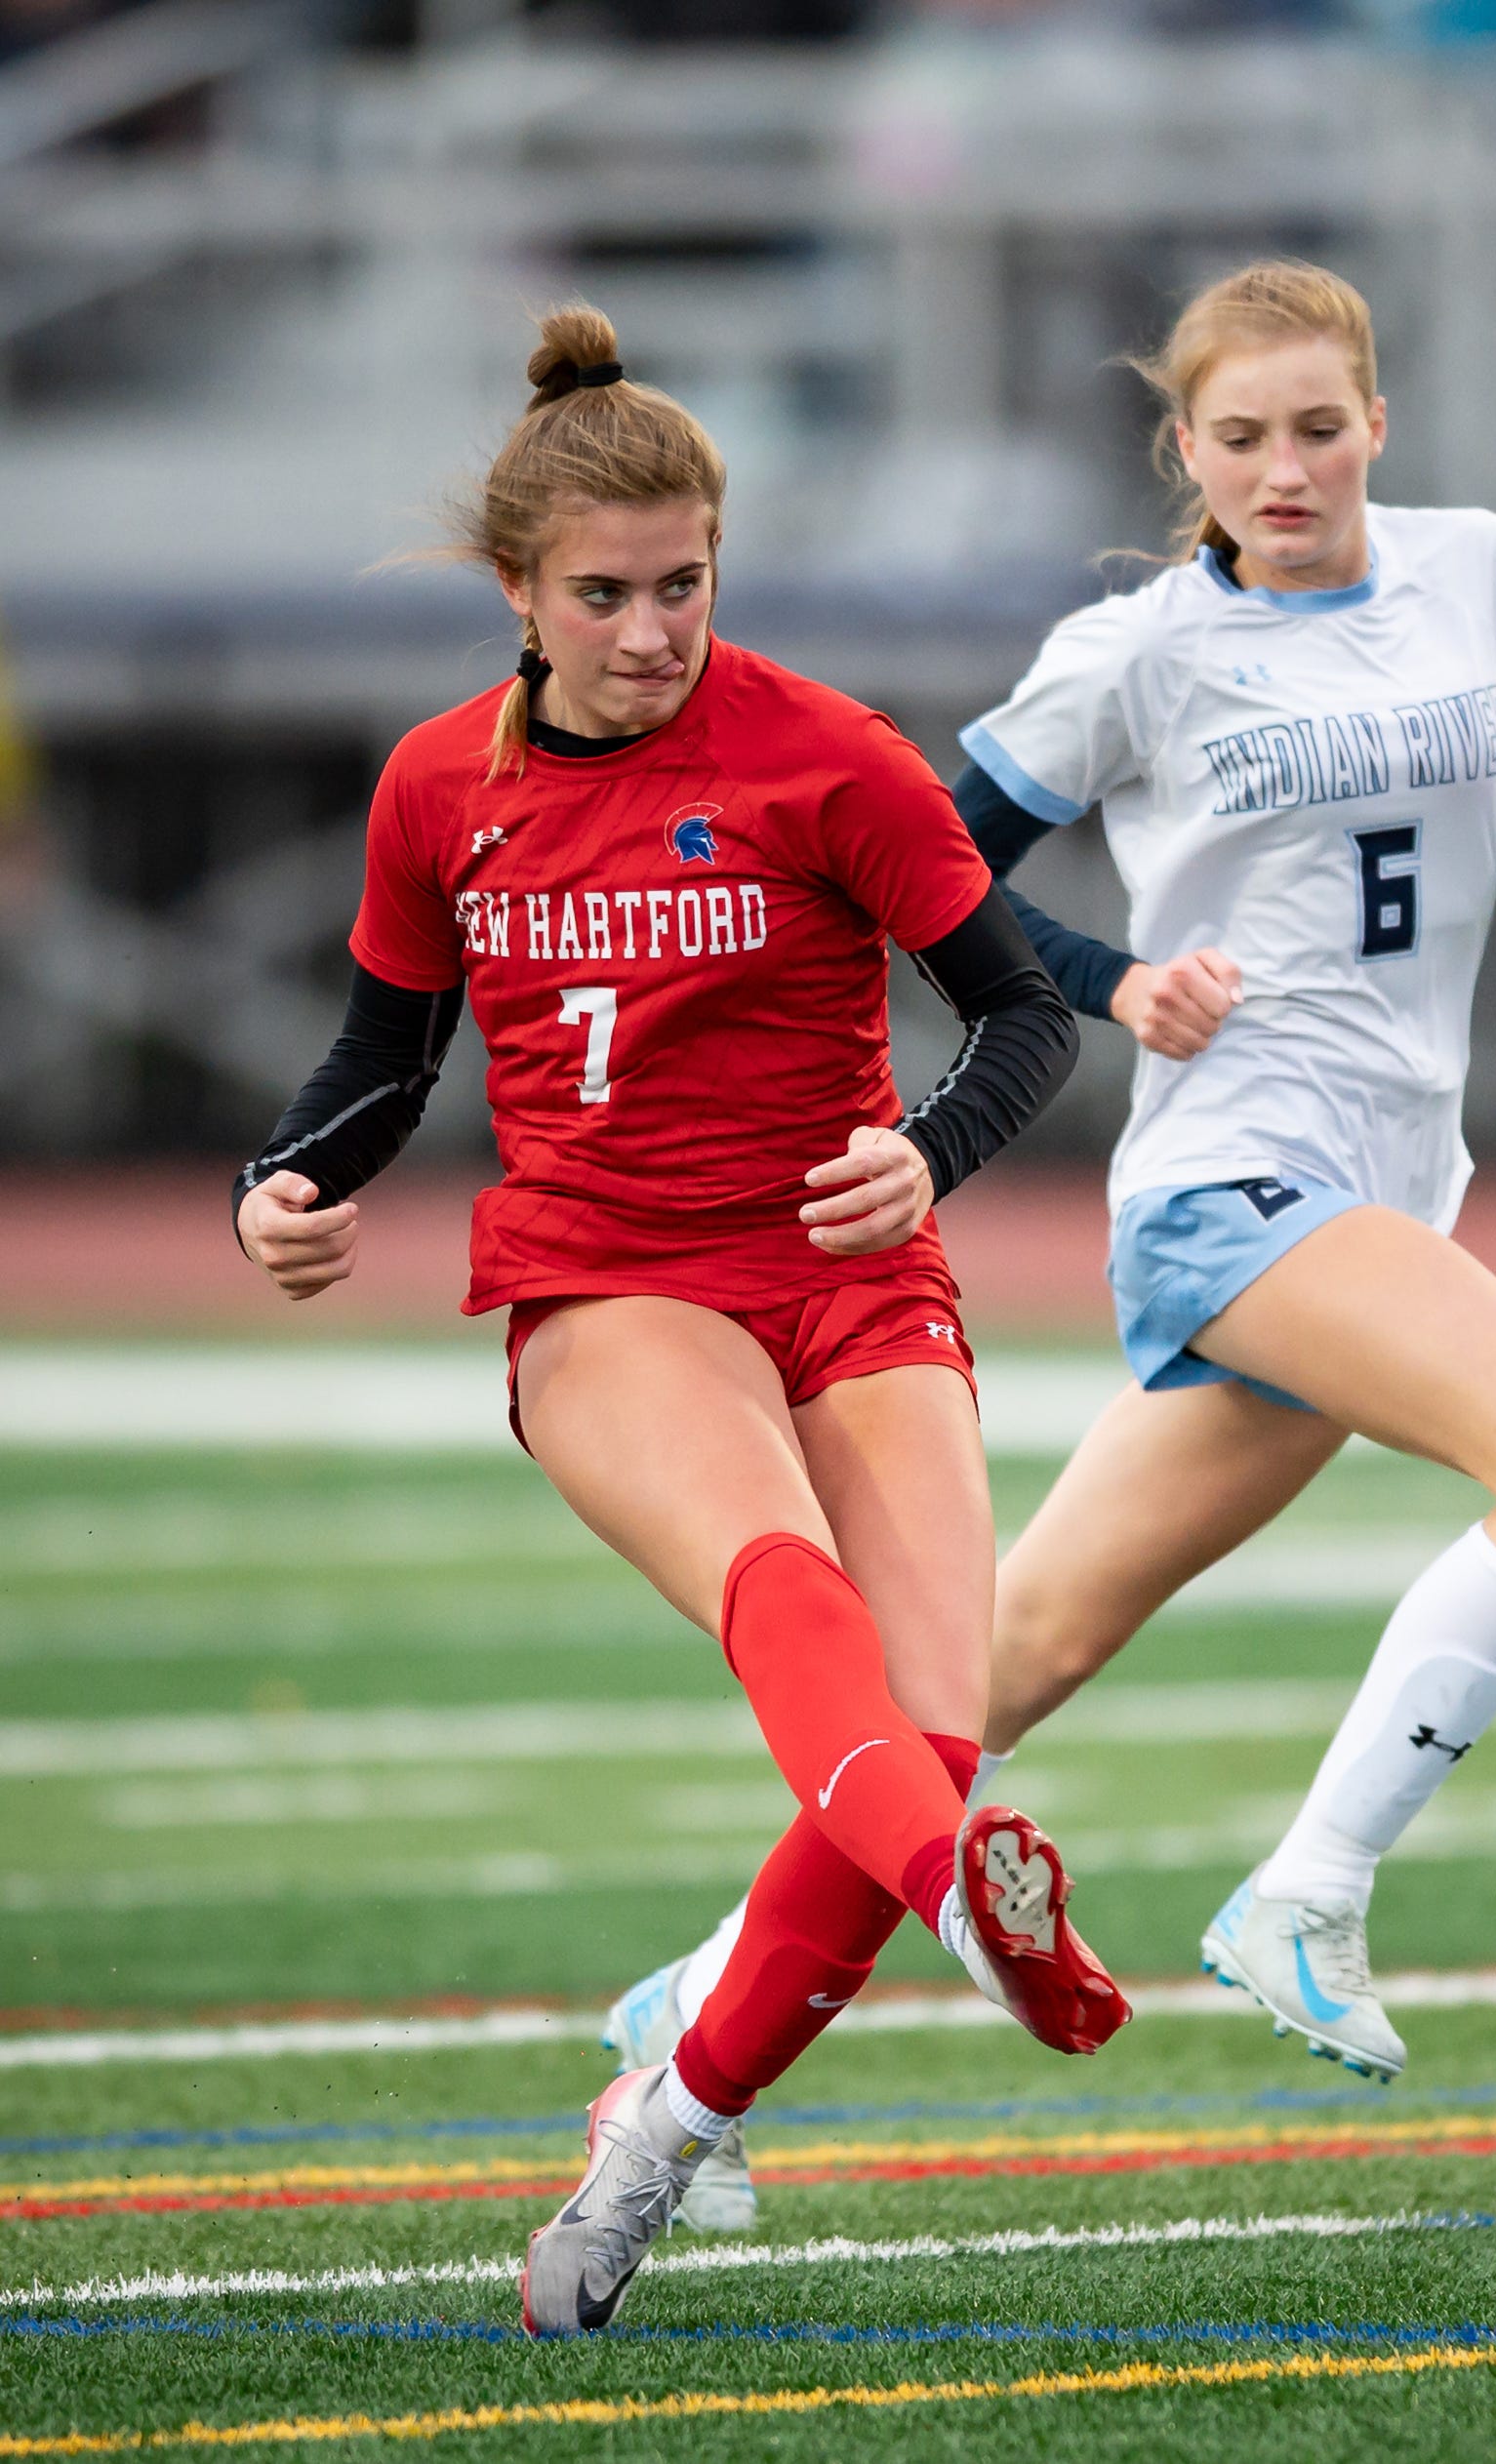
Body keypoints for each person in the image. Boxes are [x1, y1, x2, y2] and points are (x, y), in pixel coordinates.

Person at [627, 256, 1496, 2229]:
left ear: (1379, 422)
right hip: (1232, 1191)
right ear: (1186, 452)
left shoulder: (1480, 569)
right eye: (1245, 438)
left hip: (1390, 1184)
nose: (1288, 467)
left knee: (988, 1675)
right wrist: (1108, 981)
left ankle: (678, 2033)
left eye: (1322, 427)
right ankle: (1308, 1899)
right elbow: (921, 865)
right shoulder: (1140, 649)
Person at [230, 304, 1127, 2339]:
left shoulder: (827, 751)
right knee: (785, 1600)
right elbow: (385, 1056)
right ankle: (957, 1899)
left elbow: (1024, 1011)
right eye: (608, 597)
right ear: (520, 594)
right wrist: (283, 1187)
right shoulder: (438, 784)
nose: (654, 632)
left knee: (926, 1728)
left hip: (853, 1275)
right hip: (609, 1284)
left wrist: (934, 1153)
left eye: (686, 586)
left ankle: (654, 2139)